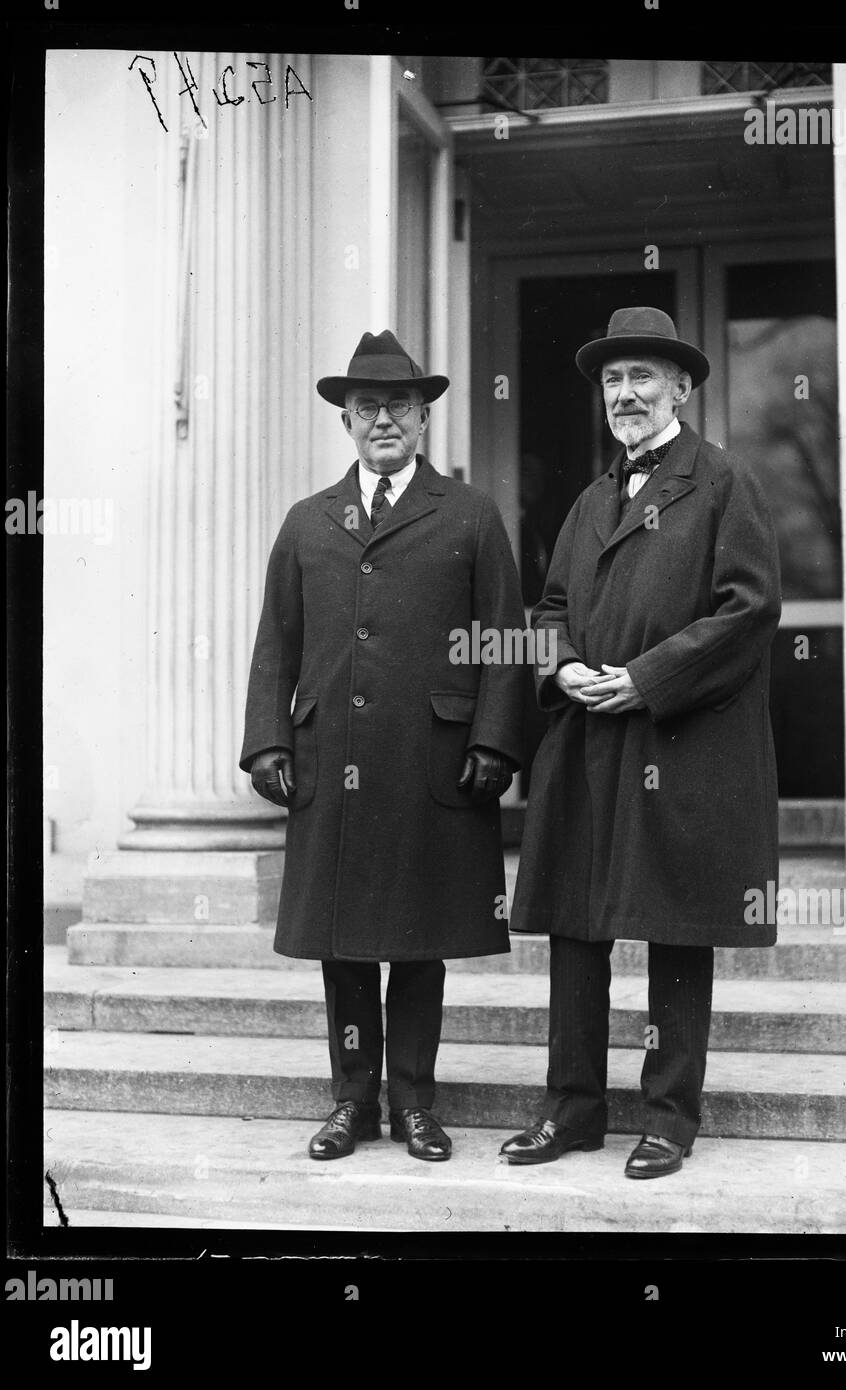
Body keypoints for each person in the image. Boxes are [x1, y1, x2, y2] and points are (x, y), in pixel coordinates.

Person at [501, 306, 782, 1178]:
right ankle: (573, 1110)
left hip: (678, 742)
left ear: (681, 388)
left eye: (641, 378)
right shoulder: (590, 499)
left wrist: (647, 678)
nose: (623, 394)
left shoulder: (723, 482)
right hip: (588, 743)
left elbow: (748, 609)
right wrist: (564, 668)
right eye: (612, 381)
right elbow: (549, 611)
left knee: (674, 929)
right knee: (575, 931)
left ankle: (668, 1118)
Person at [241, 330, 526, 1163]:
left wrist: (497, 741)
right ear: (346, 421)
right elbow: (275, 646)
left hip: (431, 761)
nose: (383, 420)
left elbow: (502, 638)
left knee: (420, 937)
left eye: (399, 405)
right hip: (332, 754)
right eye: (366, 407)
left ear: (424, 417)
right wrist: (267, 742)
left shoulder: (468, 514)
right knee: (343, 942)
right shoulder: (307, 522)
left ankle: (414, 1104)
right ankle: (351, 1101)